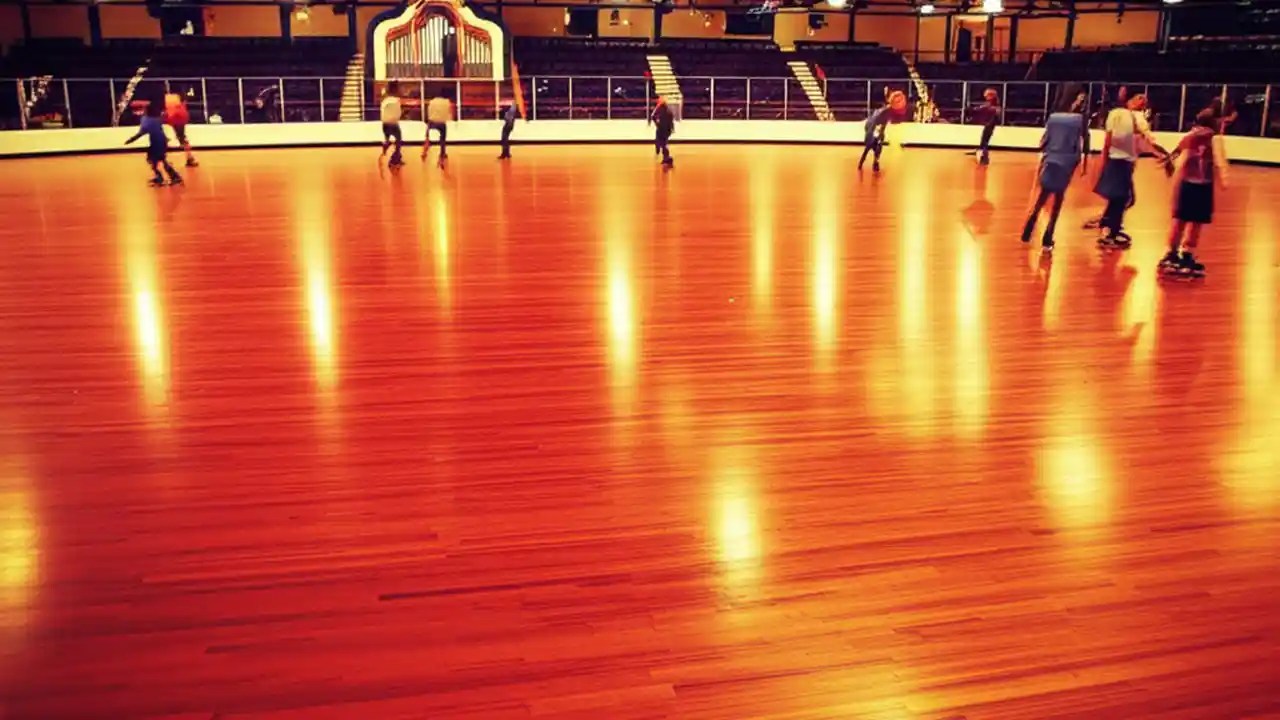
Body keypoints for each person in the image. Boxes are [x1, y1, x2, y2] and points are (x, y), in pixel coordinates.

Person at [1093, 93, 1168, 248]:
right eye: (1139, 99)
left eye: (1144, 101)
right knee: (1123, 198)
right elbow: (1144, 139)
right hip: (1122, 162)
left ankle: (1109, 225)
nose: (1142, 103)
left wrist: (1159, 153)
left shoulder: (1122, 116)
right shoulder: (1129, 117)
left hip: (1122, 161)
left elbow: (1141, 140)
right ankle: (1109, 229)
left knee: (1120, 198)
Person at [1159, 108, 1230, 275]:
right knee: (1196, 222)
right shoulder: (1214, 138)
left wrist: (1174, 179)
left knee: (1179, 220)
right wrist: (1224, 178)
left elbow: (1176, 157)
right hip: (1202, 184)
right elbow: (1219, 160)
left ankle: (1170, 253)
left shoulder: (1190, 136)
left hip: (1185, 183)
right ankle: (1187, 252)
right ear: (1216, 122)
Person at [1021, 84, 1089, 250]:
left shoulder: (1053, 117)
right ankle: (1048, 236)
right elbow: (1085, 141)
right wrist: (1083, 163)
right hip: (1067, 160)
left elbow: (1043, 141)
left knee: (1044, 193)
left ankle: (1030, 224)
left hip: (1051, 158)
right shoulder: (1080, 119)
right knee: (1058, 198)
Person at [125, 100, 182, 187]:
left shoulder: (147, 120)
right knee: (156, 160)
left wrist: (130, 140)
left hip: (157, 143)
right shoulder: (154, 118)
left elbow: (142, 132)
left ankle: (170, 177)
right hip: (158, 141)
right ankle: (166, 177)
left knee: (157, 160)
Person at [859, 92, 903, 173]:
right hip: (873, 131)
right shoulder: (884, 112)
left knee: (874, 148)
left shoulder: (884, 111)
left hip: (875, 131)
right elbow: (877, 123)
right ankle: (867, 163)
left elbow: (883, 123)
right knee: (871, 147)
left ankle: (871, 163)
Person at [163, 91, 198, 167]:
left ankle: (189, 158)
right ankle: (190, 158)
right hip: (178, 117)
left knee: (181, 138)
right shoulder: (176, 97)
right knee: (182, 138)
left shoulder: (166, 97)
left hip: (173, 117)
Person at [968, 88, 1001, 165]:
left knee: (985, 141)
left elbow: (993, 114)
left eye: (986, 95)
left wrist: (978, 109)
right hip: (989, 125)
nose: (985, 97)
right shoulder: (991, 105)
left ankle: (984, 157)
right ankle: (982, 153)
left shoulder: (993, 106)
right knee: (984, 140)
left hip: (990, 125)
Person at [422, 90, 452, 167]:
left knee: (427, 135)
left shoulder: (432, 101)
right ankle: (442, 153)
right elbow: (449, 112)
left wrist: (429, 119)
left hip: (432, 122)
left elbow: (429, 111)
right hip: (441, 123)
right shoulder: (447, 102)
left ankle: (425, 150)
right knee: (443, 138)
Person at [379, 83, 404, 167]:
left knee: (388, 137)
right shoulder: (396, 100)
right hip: (393, 124)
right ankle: (394, 160)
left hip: (385, 124)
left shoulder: (385, 100)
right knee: (398, 141)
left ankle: (386, 143)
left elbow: (382, 111)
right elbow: (398, 112)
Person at [650, 96, 675, 167]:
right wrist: (671, 128)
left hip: (661, 129)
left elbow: (653, 116)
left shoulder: (659, 108)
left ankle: (666, 158)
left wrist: (657, 123)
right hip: (665, 129)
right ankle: (666, 158)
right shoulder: (668, 110)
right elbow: (671, 120)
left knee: (662, 143)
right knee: (663, 143)